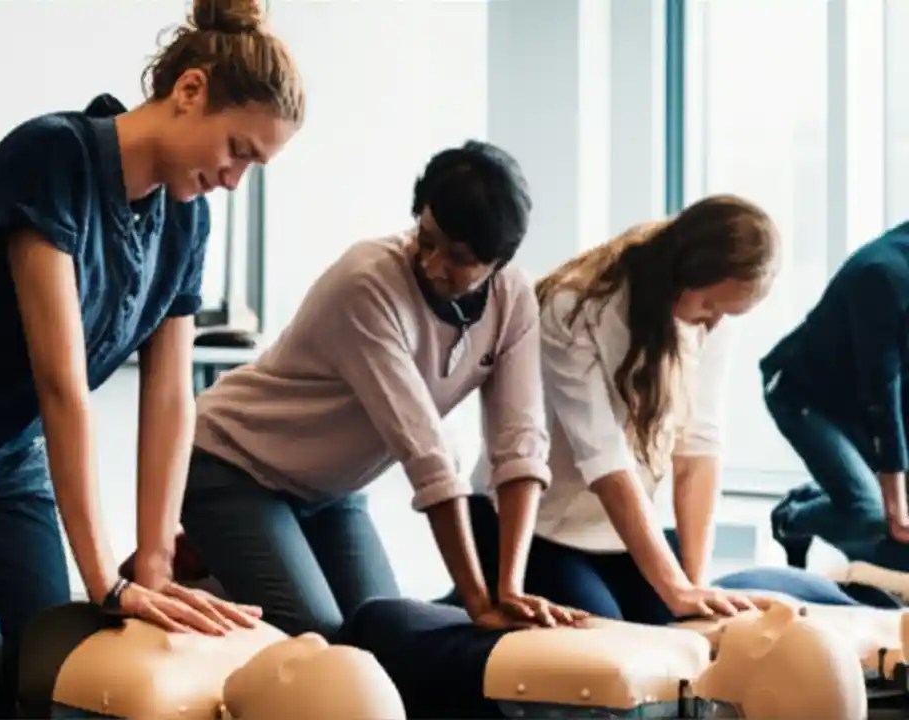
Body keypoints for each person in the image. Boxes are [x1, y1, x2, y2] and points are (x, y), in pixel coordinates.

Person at [0, 1, 304, 716]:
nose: (235, 180)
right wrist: (107, 582)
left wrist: (155, 563)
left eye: (253, 166)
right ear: (190, 90)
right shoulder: (52, 157)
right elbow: (61, 384)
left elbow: (170, 395)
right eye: (237, 150)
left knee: (49, 664)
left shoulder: (186, 217)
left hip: (9, 454)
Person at [179, 141, 583, 640]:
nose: (433, 264)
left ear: (498, 262)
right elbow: (425, 452)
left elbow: (520, 445)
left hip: (330, 492)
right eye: (426, 239)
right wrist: (479, 604)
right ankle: (207, 563)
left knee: (387, 633)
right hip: (231, 464)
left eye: (457, 258)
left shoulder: (514, 300)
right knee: (323, 642)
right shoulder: (368, 282)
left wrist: (510, 588)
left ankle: (216, 563)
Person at [461, 195, 781, 624]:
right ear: (685, 271)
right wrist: (674, 589)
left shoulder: (710, 320)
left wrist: (693, 586)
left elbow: (698, 451)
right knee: (611, 639)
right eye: (710, 305)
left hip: (618, 538)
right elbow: (604, 461)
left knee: (680, 630)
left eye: (727, 313)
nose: (714, 322)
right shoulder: (575, 307)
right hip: (536, 527)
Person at [763, 222, 909, 572]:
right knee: (871, 516)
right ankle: (790, 517)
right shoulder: (882, 274)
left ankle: (830, 496)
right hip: (803, 394)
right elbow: (881, 394)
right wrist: (896, 506)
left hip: (859, 401)